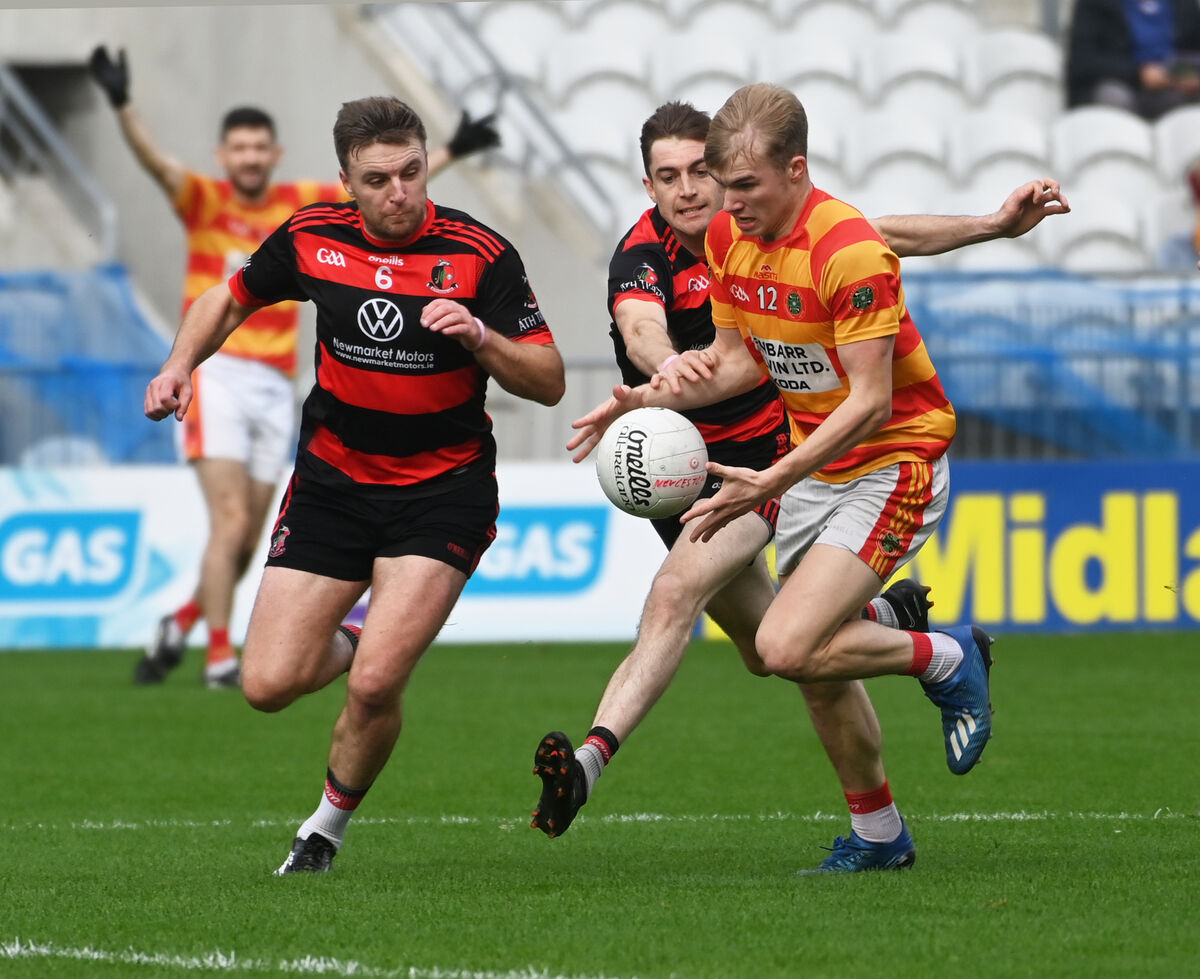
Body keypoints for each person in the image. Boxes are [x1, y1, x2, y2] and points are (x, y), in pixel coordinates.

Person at [562, 85, 1034, 873]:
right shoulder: (731, 237)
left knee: (784, 644)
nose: (725, 202)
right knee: (808, 662)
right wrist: (646, 397)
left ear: (796, 169)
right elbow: (737, 362)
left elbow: (871, 401)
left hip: (892, 459)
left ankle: (946, 657)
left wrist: (770, 477)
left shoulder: (847, 250)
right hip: (815, 465)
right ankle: (880, 835)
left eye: (743, 186)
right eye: (722, 183)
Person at [144, 95, 564, 874]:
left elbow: (548, 379)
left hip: (443, 491)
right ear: (347, 182)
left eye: (411, 172)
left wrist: (481, 335)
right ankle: (374, 629)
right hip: (333, 484)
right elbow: (227, 298)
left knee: (374, 685)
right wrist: (179, 365)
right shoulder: (313, 236)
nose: (399, 192)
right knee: (267, 683)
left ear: (426, 163)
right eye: (377, 180)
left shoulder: (481, 254)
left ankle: (322, 831)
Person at [89, 45, 501, 687]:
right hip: (219, 374)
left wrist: (453, 149)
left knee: (249, 531)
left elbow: (390, 185)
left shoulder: (303, 202)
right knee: (230, 524)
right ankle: (219, 656)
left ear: (275, 153)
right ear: (224, 156)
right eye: (240, 149)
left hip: (278, 383)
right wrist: (121, 104)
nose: (250, 158)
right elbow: (154, 165)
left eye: (260, 147)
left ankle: (183, 621)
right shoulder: (202, 198)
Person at [1066, 0, 1200, 119]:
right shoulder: (1095, 4)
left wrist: (1189, 74)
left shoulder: (1184, 4)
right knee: (1114, 97)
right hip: (1119, 85)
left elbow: (1194, 52)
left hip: (1173, 88)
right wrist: (1139, 73)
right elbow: (1083, 62)